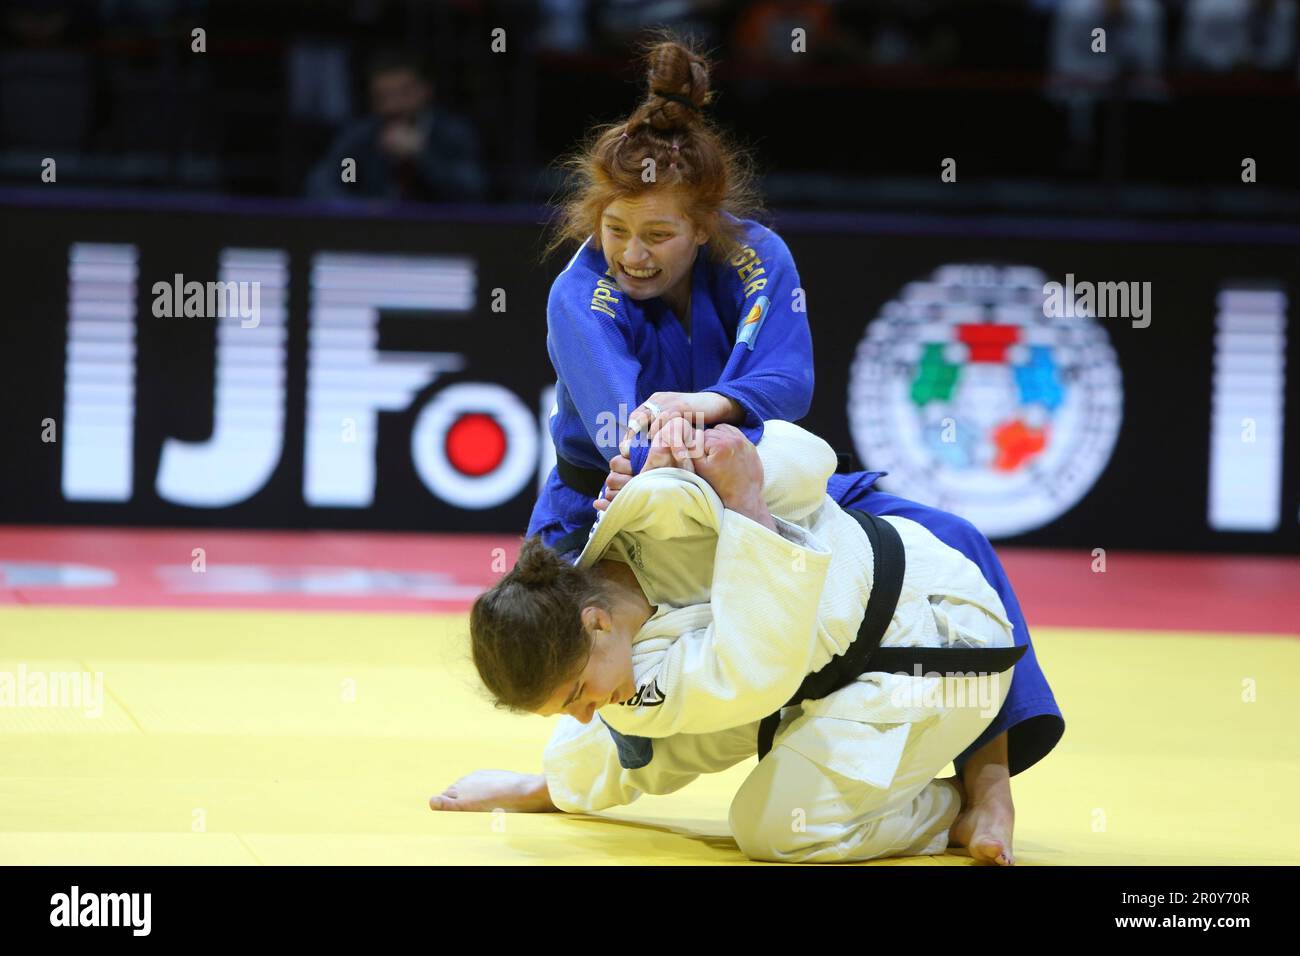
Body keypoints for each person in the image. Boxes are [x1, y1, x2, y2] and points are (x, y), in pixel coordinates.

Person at [532, 33, 1062, 859]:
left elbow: (785, 385)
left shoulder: (758, 257)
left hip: (758, 474)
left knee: (953, 539)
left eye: (660, 235)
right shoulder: (579, 291)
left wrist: (705, 404)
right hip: (615, 494)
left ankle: (985, 786)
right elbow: (621, 422)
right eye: (617, 228)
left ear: (705, 227)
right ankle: (570, 776)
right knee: (555, 635)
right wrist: (657, 435)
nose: (633, 254)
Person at [436, 420, 1024, 864]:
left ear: (594, 622)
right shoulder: (630, 661)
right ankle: (553, 787)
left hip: (939, 646)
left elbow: (812, 463)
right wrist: (744, 506)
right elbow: (751, 679)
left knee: (774, 828)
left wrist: (723, 448)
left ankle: (947, 814)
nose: (587, 713)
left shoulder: (650, 507)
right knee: (610, 739)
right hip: (827, 665)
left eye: (576, 693)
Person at [305, 49, 488, 202]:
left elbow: (472, 191)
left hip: (440, 236)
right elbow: (321, 185)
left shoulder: (453, 133)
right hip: (376, 236)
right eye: (382, 97)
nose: (393, 106)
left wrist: (422, 157)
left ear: (425, 91)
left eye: (403, 94)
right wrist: (364, 210)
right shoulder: (361, 137)